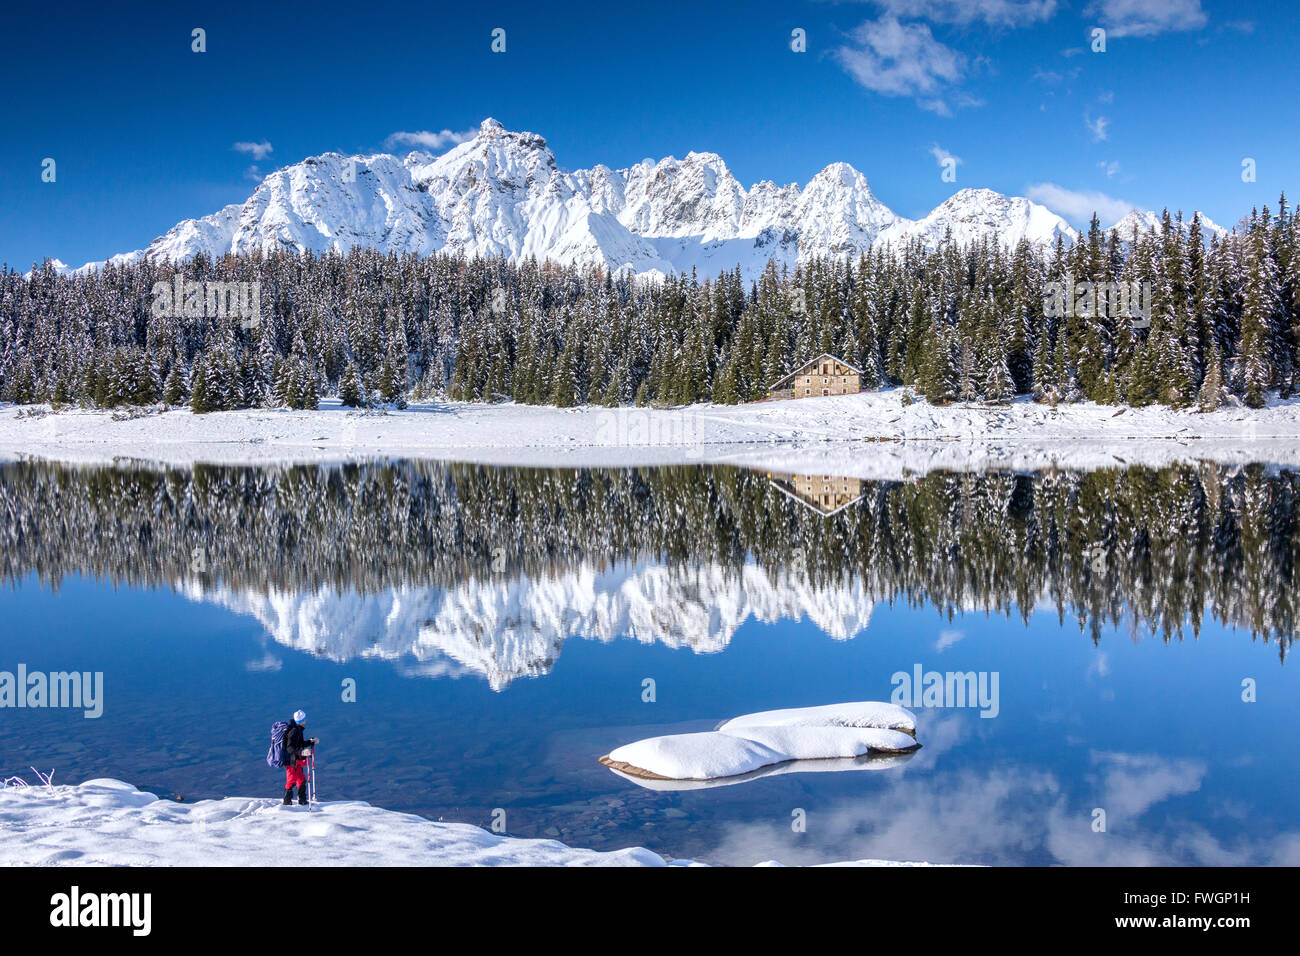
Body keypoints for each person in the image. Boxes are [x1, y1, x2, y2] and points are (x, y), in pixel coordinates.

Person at [282, 709, 318, 806]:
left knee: (301, 779)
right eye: (304, 719)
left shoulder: (298, 730)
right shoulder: (293, 731)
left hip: (297, 760)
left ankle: (302, 801)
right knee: (291, 780)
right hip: (291, 761)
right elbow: (289, 748)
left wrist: (310, 742)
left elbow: (300, 743)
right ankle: (286, 803)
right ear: (301, 720)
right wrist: (301, 752)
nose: (305, 721)